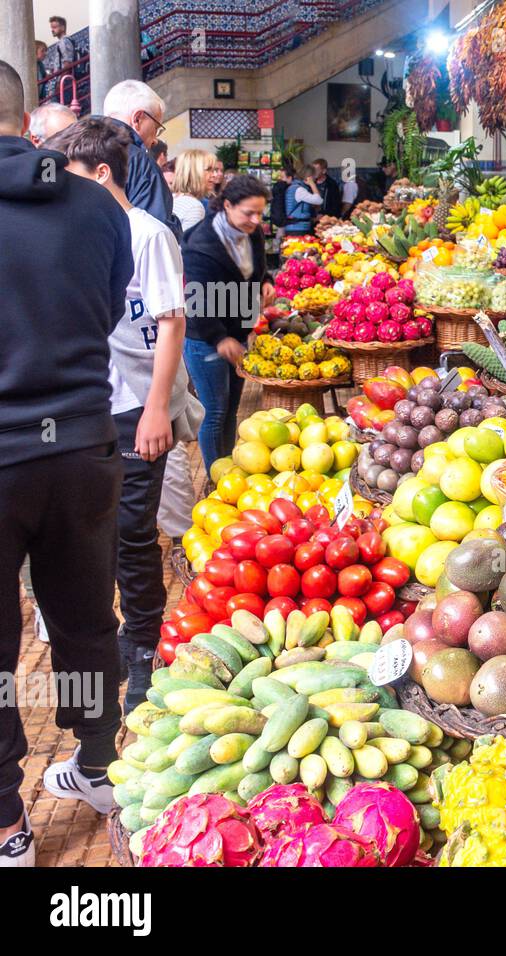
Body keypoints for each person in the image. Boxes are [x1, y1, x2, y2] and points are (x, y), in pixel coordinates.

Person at [0, 60, 133, 866]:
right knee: (86, 619)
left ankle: (7, 825)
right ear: (24, 116)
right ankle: (97, 762)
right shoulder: (95, 202)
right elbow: (109, 302)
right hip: (83, 443)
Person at [48, 117, 195, 711]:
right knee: (94, 536)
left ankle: (144, 651)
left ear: (101, 172)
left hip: (138, 406)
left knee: (135, 535)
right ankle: (108, 648)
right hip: (86, 405)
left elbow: (171, 320)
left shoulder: (148, 233)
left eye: (74, 173)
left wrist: (158, 406)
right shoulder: (71, 230)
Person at [183, 175, 274, 469]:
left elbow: (256, 267)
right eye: (248, 212)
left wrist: (266, 281)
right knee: (214, 410)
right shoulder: (201, 244)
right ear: (227, 205)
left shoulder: (253, 232)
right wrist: (220, 339)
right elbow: (197, 302)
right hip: (205, 338)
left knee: (232, 406)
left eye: (260, 212)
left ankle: (228, 469)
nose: (255, 219)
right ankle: (216, 475)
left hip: (237, 331)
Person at [102, 79, 181, 239]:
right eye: (156, 128)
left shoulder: (67, 146)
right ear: (137, 119)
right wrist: (175, 225)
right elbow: (158, 231)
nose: (155, 140)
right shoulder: (139, 161)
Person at [172, 147, 221, 233]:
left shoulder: (173, 198)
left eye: (215, 170)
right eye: (209, 170)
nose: (215, 175)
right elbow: (186, 245)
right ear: (193, 172)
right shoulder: (194, 207)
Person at [278, 160, 321, 236]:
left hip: (295, 227)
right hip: (297, 229)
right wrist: (312, 184)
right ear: (309, 177)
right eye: (314, 177)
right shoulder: (299, 190)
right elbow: (319, 200)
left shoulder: (295, 187)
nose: (315, 179)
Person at [43, 17, 76, 86]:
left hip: (65, 80)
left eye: (54, 27)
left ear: (63, 28)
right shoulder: (64, 41)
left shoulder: (64, 42)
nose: (52, 30)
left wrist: (60, 82)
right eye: (51, 28)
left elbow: (67, 62)